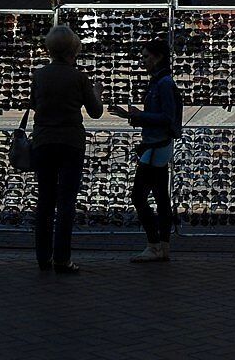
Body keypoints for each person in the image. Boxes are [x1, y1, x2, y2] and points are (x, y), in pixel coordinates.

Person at [30, 26, 103, 274]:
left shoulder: (38, 75)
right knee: (66, 201)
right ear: (74, 48)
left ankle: (42, 256)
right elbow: (95, 112)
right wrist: (97, 93)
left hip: (43, 140)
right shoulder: (79, 77)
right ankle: (62, 258)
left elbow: (33, 104)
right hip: (71, 141)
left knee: (45, 199)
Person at [111, 38, 179, 263]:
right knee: (160, 197)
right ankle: (163, 246)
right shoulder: (159, 82)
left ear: (158, 57)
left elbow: (167, 118)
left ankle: (154, 244)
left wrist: (135, 115)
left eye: (146, 56)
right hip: (156, 144)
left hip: (156, 147)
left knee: (138, 196)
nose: (143, 61)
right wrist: (135, 116)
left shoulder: (163, 83)